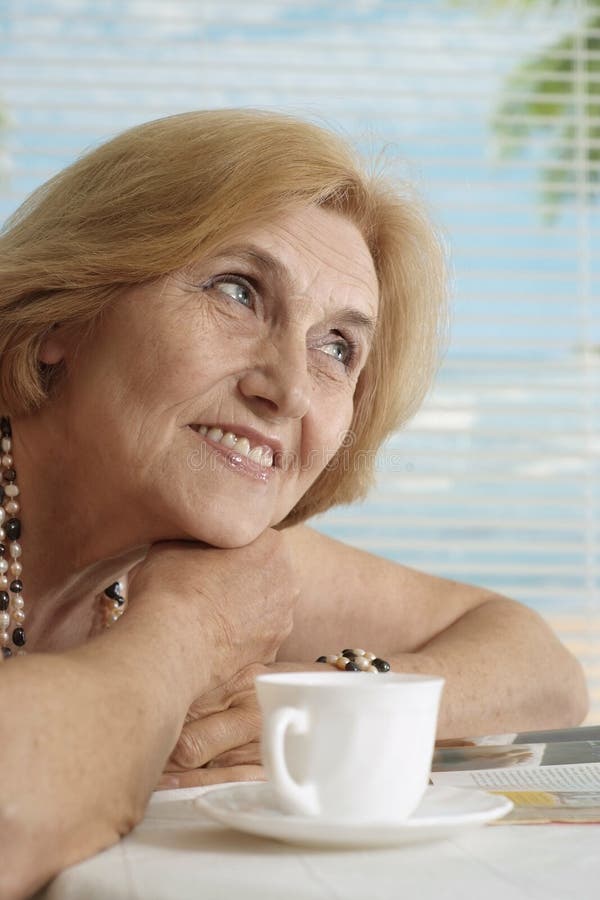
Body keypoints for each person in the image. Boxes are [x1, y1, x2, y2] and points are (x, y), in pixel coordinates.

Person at [0, 109, 587, 898]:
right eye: (238, 292)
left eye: (338, 348)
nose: (288, 388)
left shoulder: (196, 551)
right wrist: (188, 636)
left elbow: (543, 671)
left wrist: (341, 697)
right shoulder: (204, 592)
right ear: (64, 312)